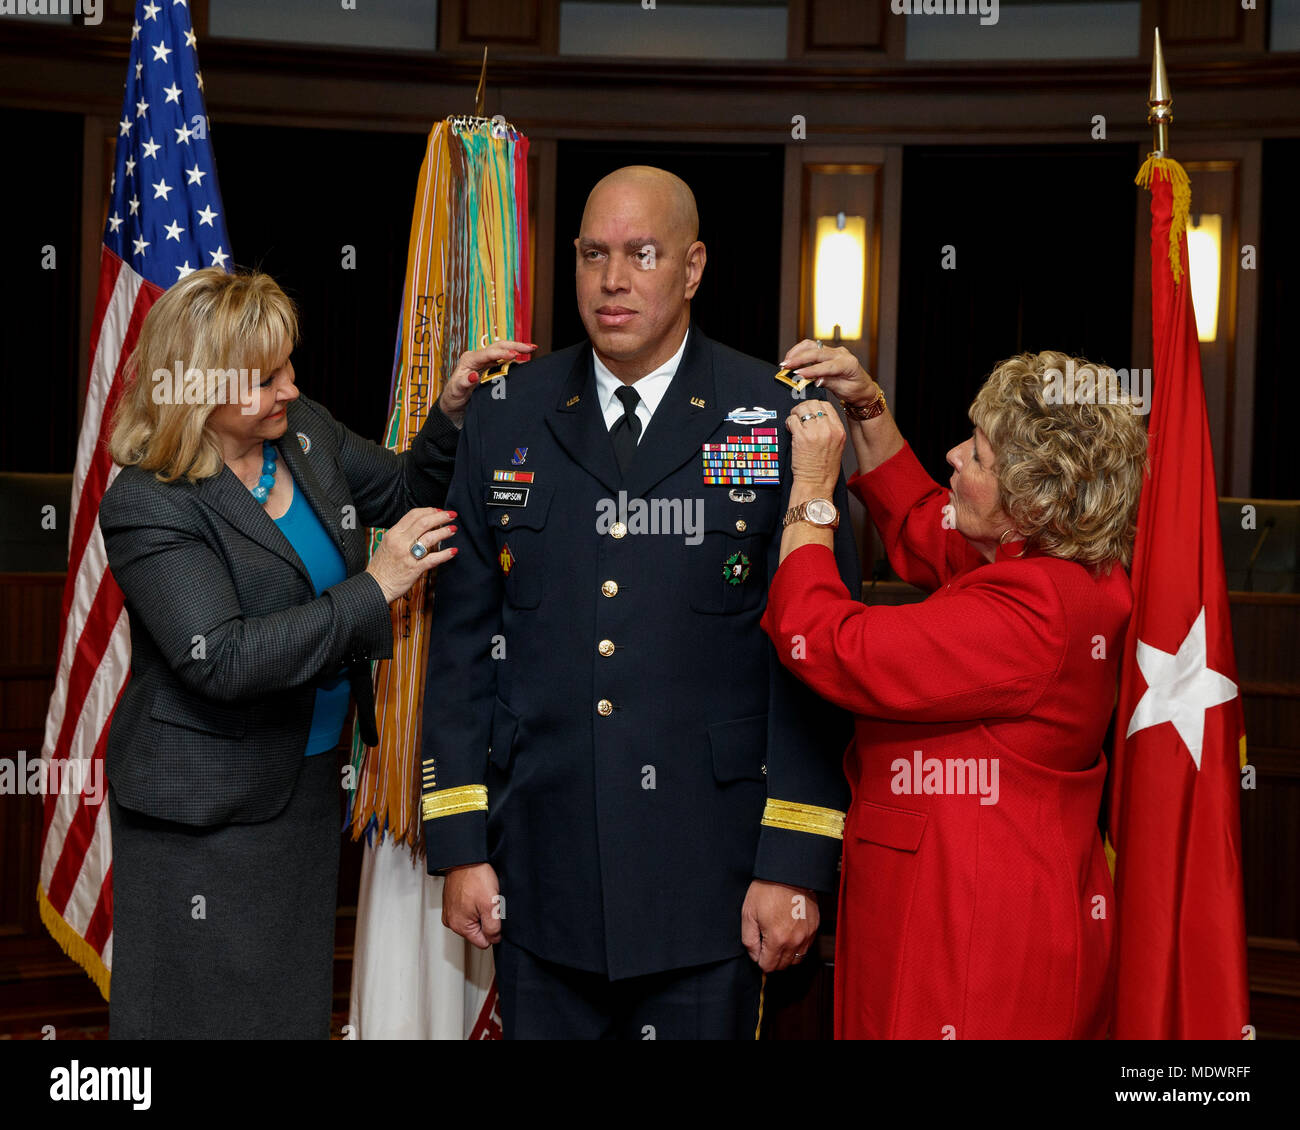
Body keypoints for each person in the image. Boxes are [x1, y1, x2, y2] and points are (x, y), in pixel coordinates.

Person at [420, 166, 860, 1039]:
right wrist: (461, 846)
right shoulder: (508, 415)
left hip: (713, 883)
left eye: (641, 254)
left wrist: (795, 861)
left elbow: (811, 660)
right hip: (540, 880)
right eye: (593, 255)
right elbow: (464, 644)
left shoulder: (772, 418)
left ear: (692, 268)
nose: (612, 280)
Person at [99, 266, 531, 1039]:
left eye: (289, 367)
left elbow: (400, 489)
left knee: (287, 1009)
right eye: (265, 379)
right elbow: (220, 658)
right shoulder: (148, 500)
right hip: (201, 812)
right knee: (197, 1016)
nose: (290, 388)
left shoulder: (302, 434)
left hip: (302, 785)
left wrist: (452, 416)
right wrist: (376, 586)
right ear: (200, 388)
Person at [761, 344, 1148, 1039]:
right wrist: (868, 407)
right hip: (1000, 905)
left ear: (1029, 497)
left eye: (977, 454)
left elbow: (822, 640)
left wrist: (812, 492)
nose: (952, 457)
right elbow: (920, 524)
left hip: (970, 936)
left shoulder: (1032, 611)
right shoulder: (1062, 560)